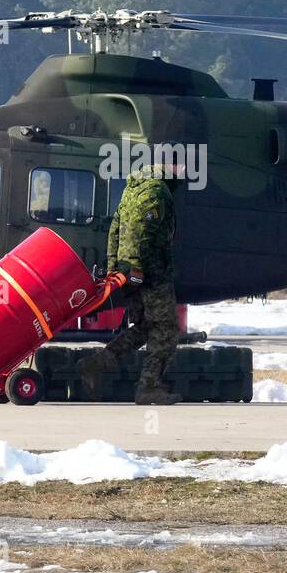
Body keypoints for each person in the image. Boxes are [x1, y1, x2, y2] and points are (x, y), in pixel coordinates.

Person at [78, 162, 182, 405]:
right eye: (181, 165)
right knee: (166, 329)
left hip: (133, 271)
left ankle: (96, 364)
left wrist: (117, 267)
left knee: (146, 326)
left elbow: (115, 229)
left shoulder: (132, 189)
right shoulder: (155, 191)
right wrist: (137, 269)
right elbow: (141, 233)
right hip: (150, 273)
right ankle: (149, 387)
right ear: (170, 166)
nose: (184, 172)